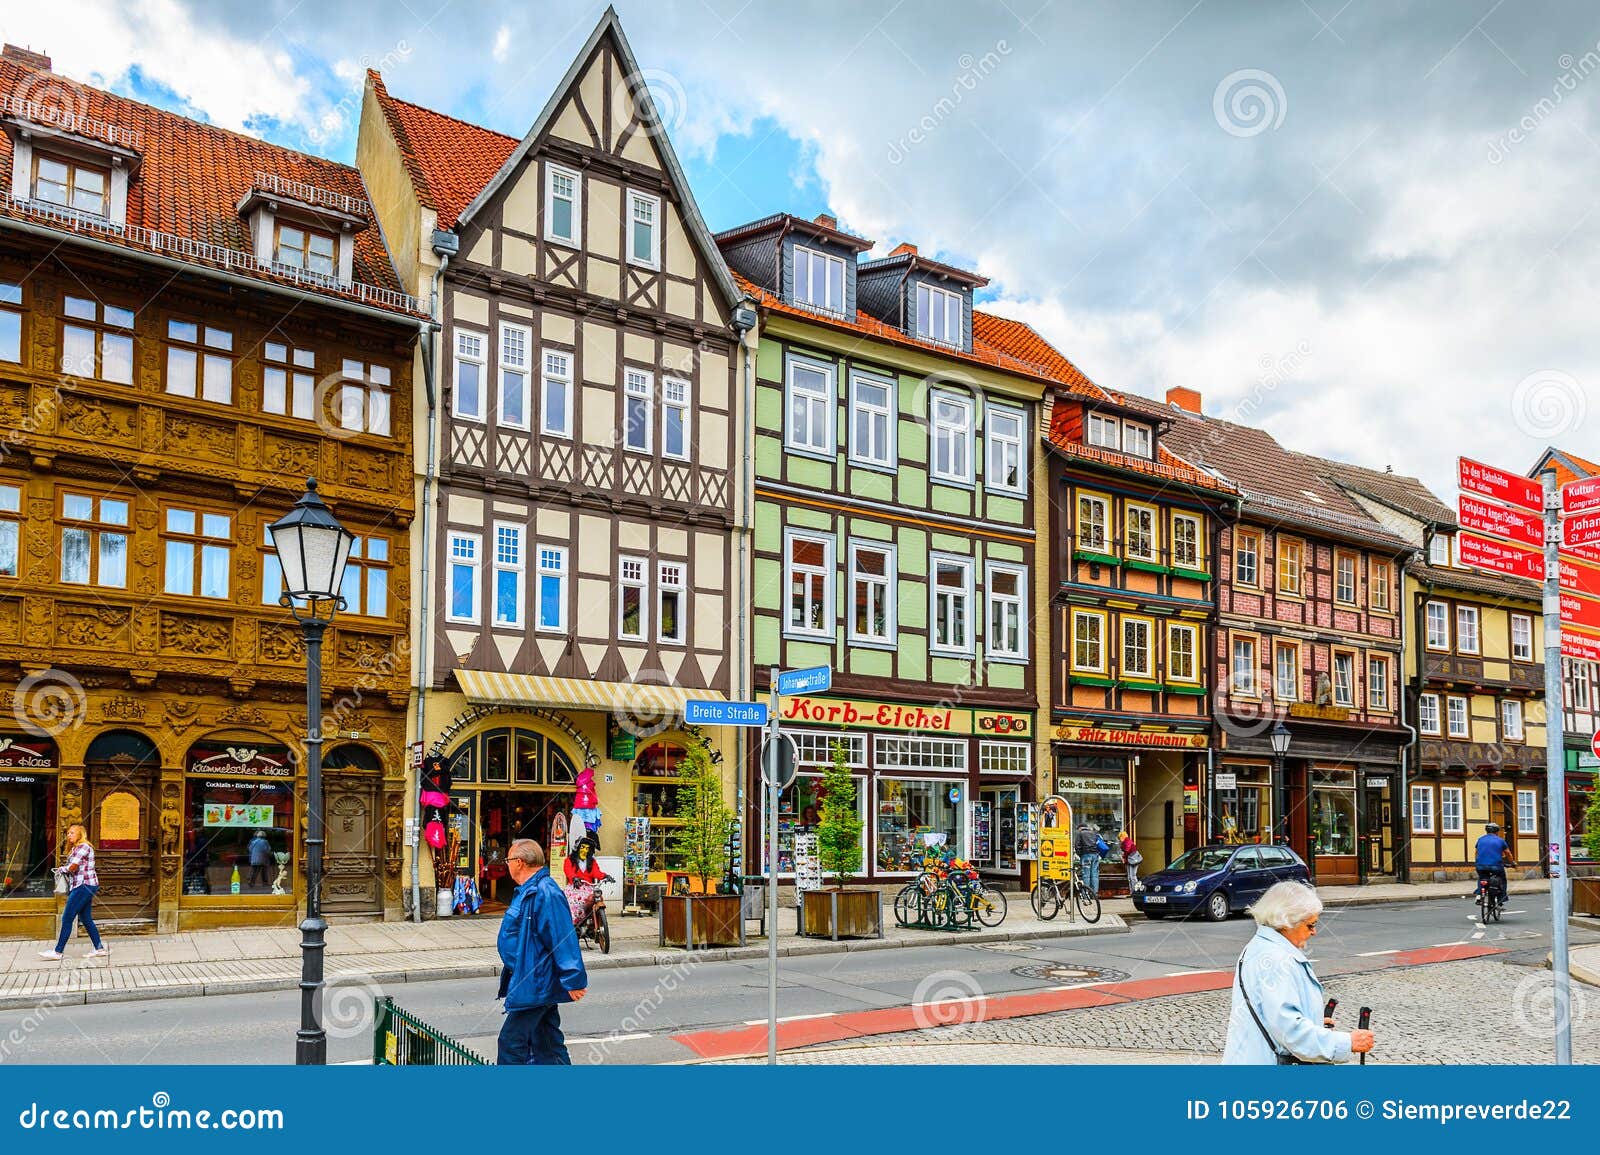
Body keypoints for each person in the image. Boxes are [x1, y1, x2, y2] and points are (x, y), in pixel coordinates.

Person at [1222, 881, 1375, 1064]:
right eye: (1310, 925)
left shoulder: (1260, 947)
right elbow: (1290, 1030)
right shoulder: (1277, 959)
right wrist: (1347, 1042)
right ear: (1286, 922)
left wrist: (1313, 1018)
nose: (1314, 932)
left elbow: (1271, 1013)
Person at [496, 838, 587, 1065]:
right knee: (546, 1041)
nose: (507, 864)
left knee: (510, 1041)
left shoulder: (545, 892)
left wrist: (574, 980)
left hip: (536, 980)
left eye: (508, 860)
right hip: (531, 977)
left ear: (519, 862)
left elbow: (562, 936)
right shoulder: (529, 890)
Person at [40, 824, 106, 961]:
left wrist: (61, 869)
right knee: (86, 918)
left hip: (84, 885)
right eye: (68, 833)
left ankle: (58, 952)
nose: (69, 835)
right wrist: (64, 868)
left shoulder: (84, 847)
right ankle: (99, 949)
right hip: (83, 885)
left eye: (72, 833)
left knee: (67, 917)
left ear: (80, 834)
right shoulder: (76, 847)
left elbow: (74, 866)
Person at [563, 831, 607, 929]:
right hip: (575, 887)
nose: (585, 850)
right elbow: (568, 870)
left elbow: (596, 872)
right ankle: (574, 924)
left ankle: (595, 922)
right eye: (582, 847)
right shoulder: (570, 860)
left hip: (588, 887)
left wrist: (605, 876)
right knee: (574, 902)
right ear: (577, 848)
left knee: (597, 898)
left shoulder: (592, 861)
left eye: (587, 848)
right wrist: (574, 878)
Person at [1473, 822, 1514, 903]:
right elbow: (1508, 853)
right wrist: (1512, 862)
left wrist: (1477, 862)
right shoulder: (1500, 841)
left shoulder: (1480, 839)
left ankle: (1479, 894)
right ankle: (1501, 898)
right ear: (1497, 831)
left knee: (1482, 878)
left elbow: (1476, 853)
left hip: (1481, 865)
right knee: (1502, 879)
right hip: (1496, 866)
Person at [1073, 822, 1103, 898]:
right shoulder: (1093, 833)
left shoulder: (1080, 834)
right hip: (1095, 855)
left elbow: (1077, 846)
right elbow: (1098, 843)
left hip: (1086, 855)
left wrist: (1080, 855)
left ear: (1080, 828)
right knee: (1095, 875)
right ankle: (1094, 894)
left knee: (1086, 875)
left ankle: (1085, 894)